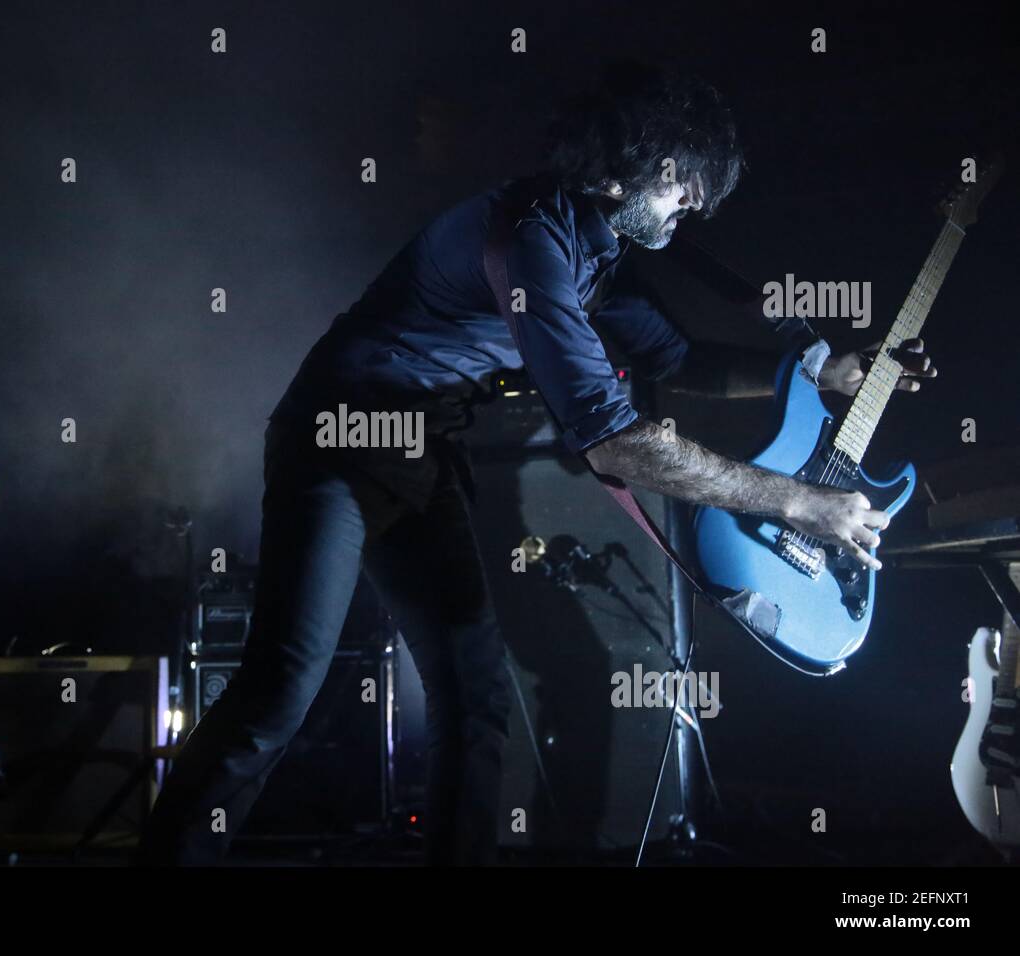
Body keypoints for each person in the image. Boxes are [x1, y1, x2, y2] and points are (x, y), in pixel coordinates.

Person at [140, 62, 935, 865]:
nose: (693, 199)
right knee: (280, 691)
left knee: (475, 690)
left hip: (422, 446)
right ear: (629, 162)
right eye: (679, 178)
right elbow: (615, 440)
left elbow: (677, 358)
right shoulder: (528, 236)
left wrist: (819, 373)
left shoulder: (599, 250)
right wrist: (797, 502)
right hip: (338, 438)